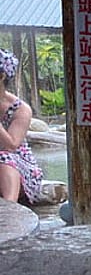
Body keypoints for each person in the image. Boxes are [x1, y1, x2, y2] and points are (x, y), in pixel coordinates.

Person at [0, 48, 44, 206]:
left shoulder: (20, 109)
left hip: (16, 165)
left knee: (4, 157)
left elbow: (11, 145)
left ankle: (9, 208)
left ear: (2, 76)